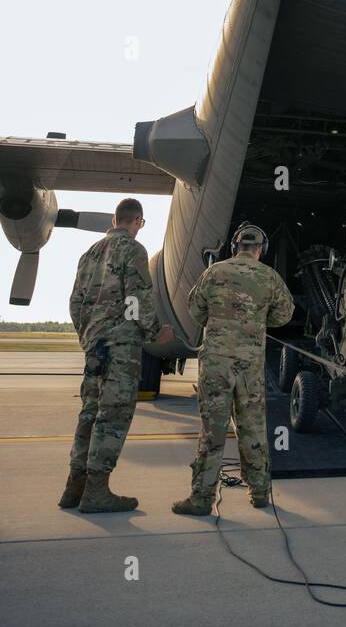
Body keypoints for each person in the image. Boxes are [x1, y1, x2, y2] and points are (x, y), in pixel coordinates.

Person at [172, 223, 294, 516]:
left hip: (216, 363)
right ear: (261, 249)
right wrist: (257, 321)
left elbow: (196, 308)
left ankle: (201, 499)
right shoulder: (269, 277)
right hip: (249, 365)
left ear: (234, 247)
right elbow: (284, 314)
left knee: (212, 431)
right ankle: (260, 492)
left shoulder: (214, 272)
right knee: (252, 428)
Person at [61, 197, 171, 512]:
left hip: (94, 347)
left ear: (113, 219)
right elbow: (136, 299)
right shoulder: (133, 250)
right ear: (138, 221)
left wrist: (88, 336)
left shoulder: (89, 253)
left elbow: (75, 302)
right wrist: (155, 333)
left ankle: (73, 488)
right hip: (121, 349)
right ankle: (96, 493)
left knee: (89, 414)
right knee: (112, 416)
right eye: (140, 223)